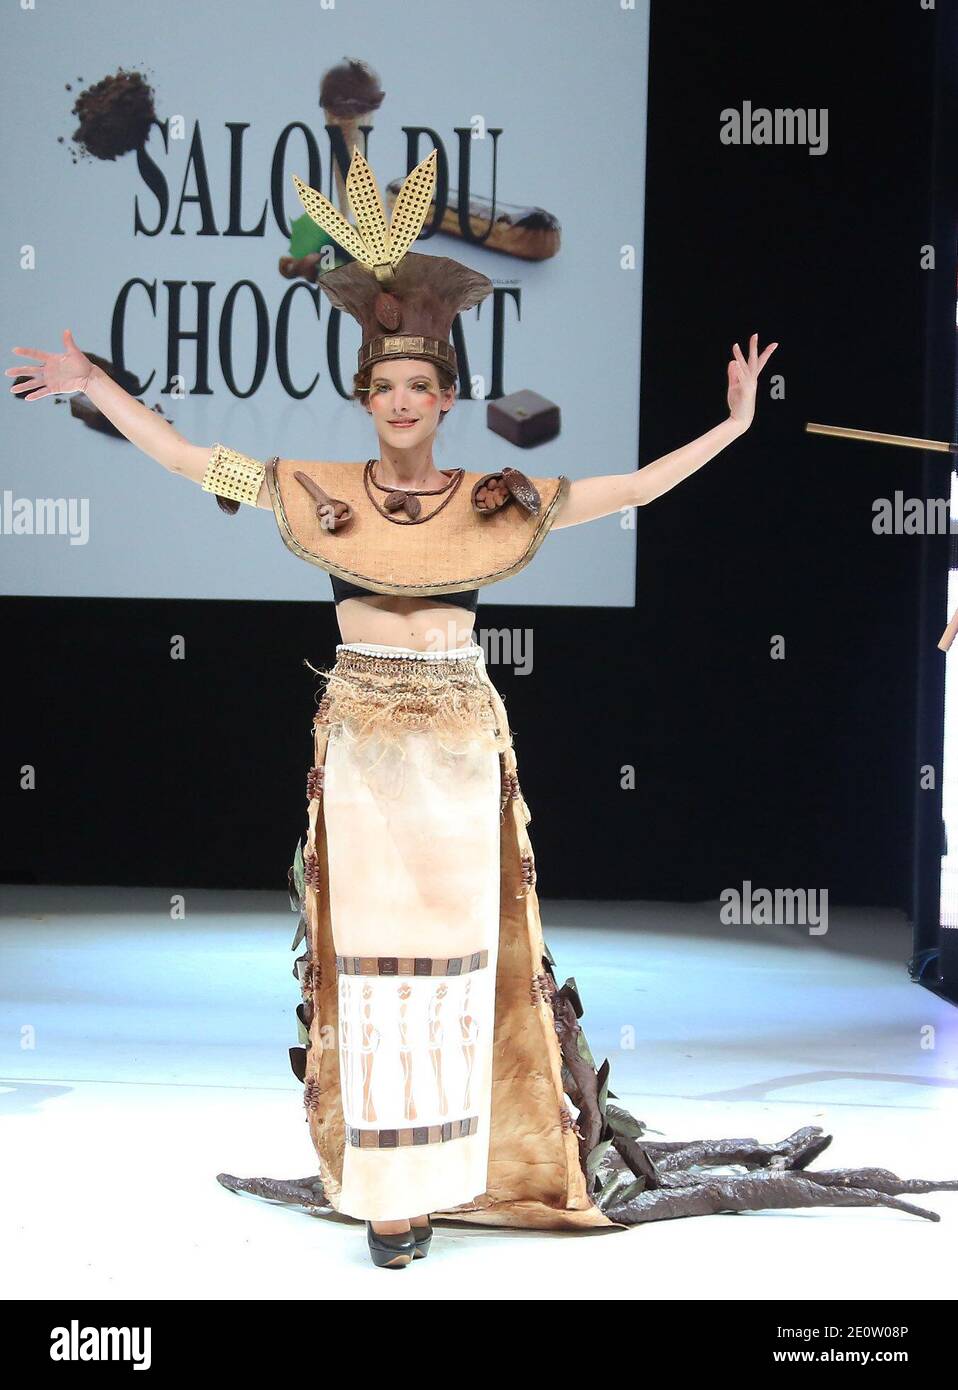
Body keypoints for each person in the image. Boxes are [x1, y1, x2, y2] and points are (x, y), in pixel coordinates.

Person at [17, 150, 949, 1271]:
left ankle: (465, 1162)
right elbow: (176, 453)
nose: (401, 402)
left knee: (461, 966)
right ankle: (388, 1192)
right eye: (383, 388)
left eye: (420, 388)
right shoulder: (319, 486)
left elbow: (635, 489)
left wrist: (736, 426)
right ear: (363, 397)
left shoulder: (493, 499)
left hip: (460, 744)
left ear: (447, 399)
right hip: (360, 743)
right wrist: (97, 388)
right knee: (369, 969)